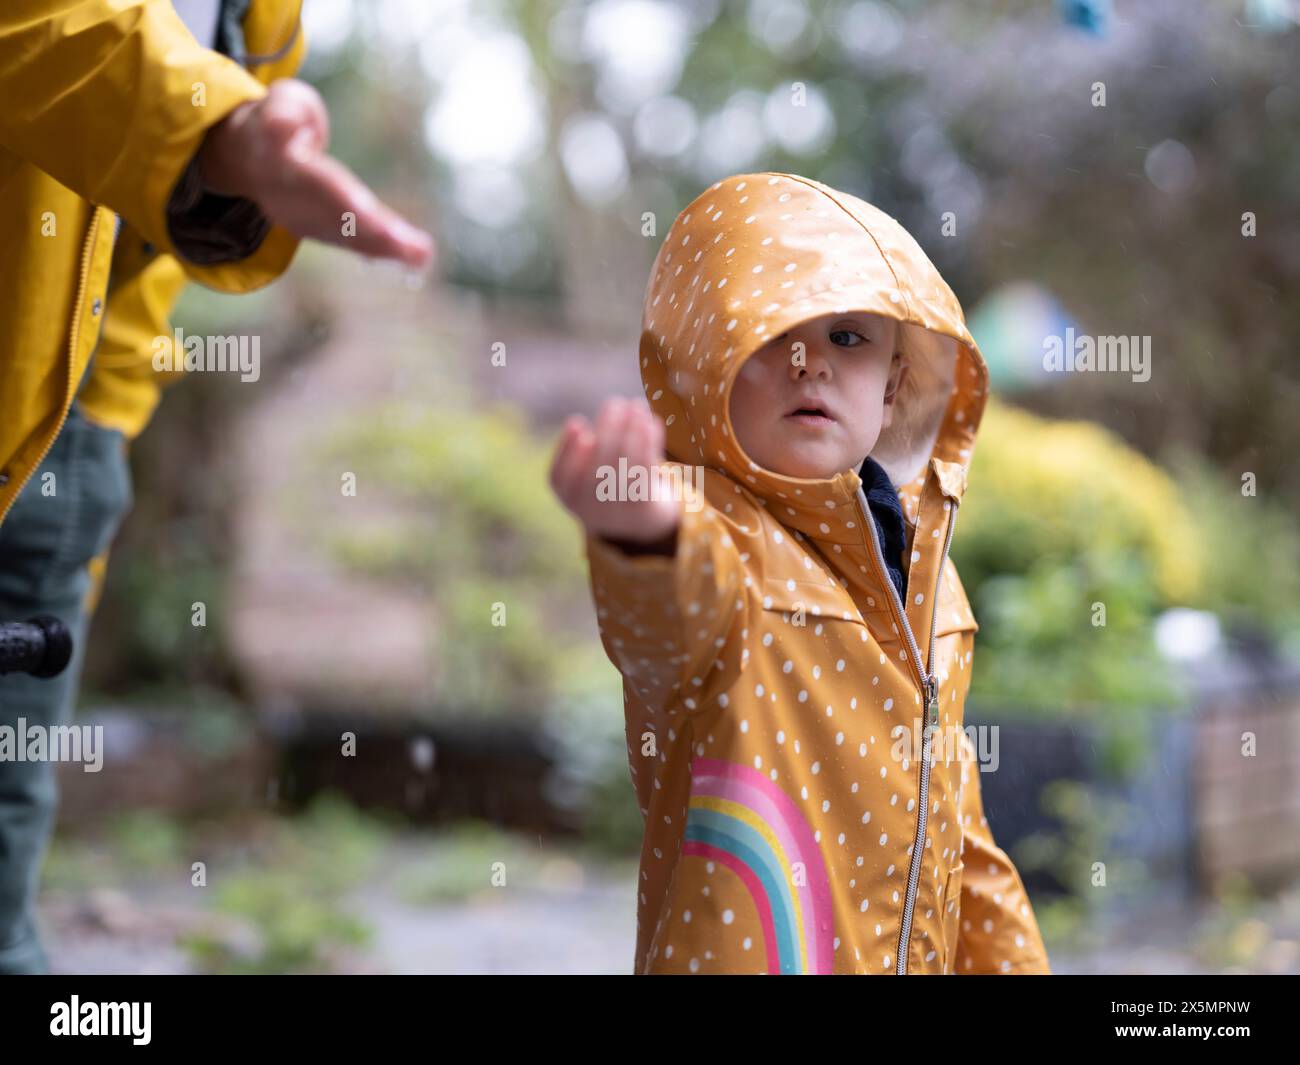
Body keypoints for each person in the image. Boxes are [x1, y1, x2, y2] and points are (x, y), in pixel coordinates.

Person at [0, 0, 432, 974]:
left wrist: (100, 412)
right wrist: (214, 126)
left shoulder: (268, 14)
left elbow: (125, 235)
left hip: (64, 425)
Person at [550, 171, 1051, 974]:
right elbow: (668, 624)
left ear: (893, 388)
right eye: (773, 336)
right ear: (710, 367)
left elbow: (961, 834)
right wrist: (646, 537)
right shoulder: (713, 533)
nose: (809, 362)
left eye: (848, 337)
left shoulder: (930, 580)